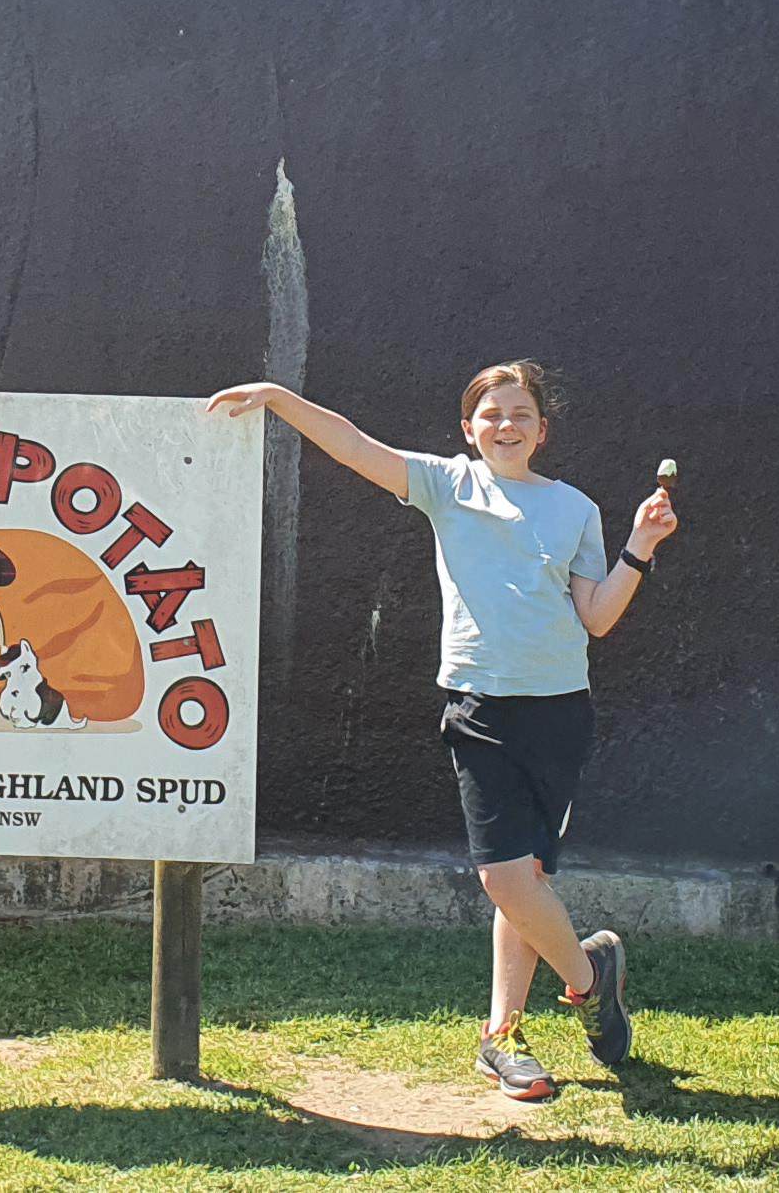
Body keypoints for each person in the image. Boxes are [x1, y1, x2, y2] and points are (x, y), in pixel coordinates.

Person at [206, 362, 678, 1102]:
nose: (506, 426)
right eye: (491, 415)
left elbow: (596, 616)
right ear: (469, 429)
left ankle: (501, 1038)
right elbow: (355, 445)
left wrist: (640, 546)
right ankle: (590, 981)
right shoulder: (446, 484)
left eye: (521, 414)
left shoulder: (576, 509)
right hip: (479, 708)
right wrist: (276, 398)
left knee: (526, 883)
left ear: (542, 430)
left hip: (560, 710)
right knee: (503, 875)